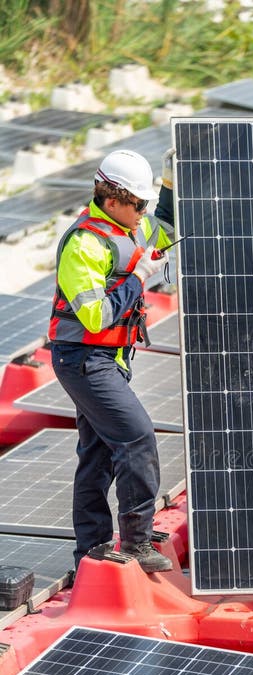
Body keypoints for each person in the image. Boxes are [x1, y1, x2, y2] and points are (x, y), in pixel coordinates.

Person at [48, 148, 176, 573]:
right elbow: (97, 315)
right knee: (137, 437)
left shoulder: (131, 226)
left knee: (98, 452)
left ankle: (92, 547)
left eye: (145, 205)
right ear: (112, 197)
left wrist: (169, 185)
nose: (144, 212)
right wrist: (139, 279)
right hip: (84, 360)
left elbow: (166, 231)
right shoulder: (84, 243)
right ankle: (137, 541)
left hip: (112, 359)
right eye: (139, 204)